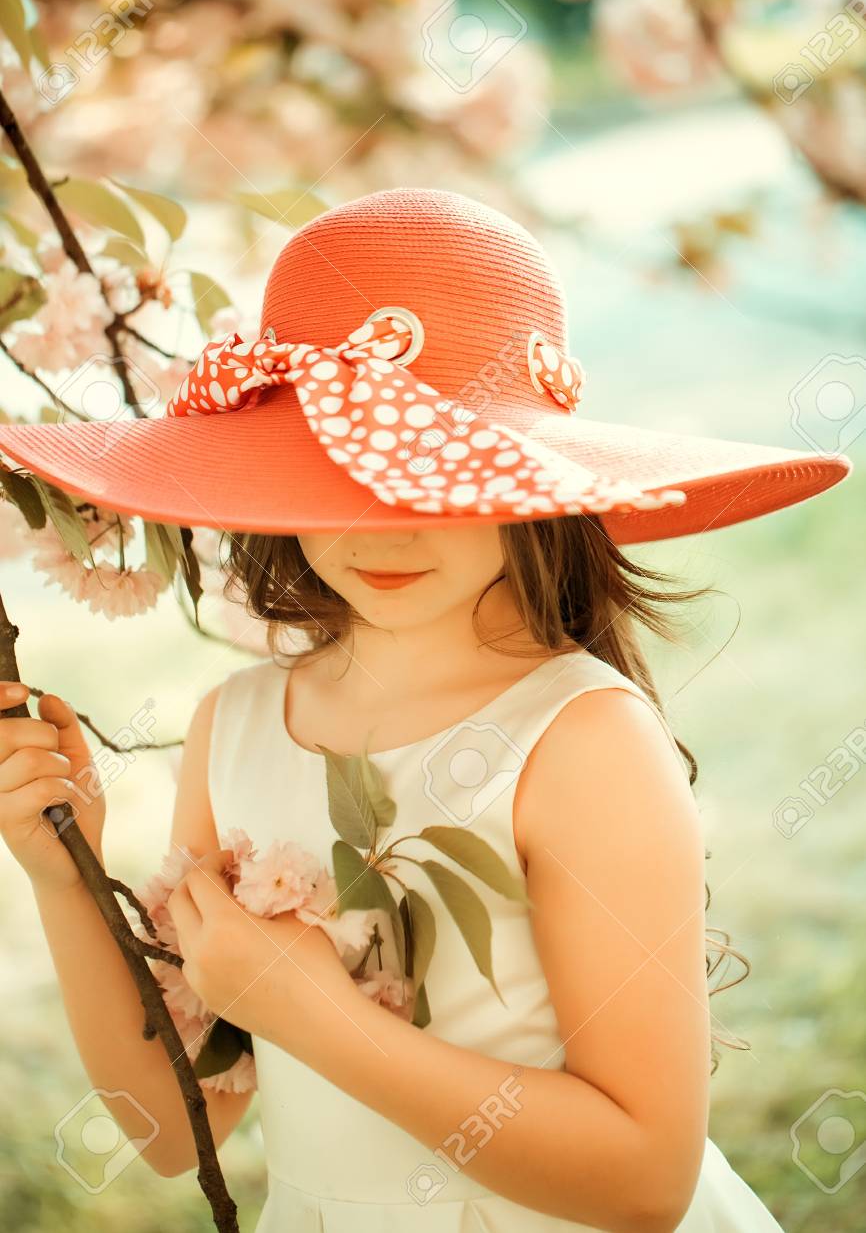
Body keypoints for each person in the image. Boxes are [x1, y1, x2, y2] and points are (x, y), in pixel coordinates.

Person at [0, 188, 851, 1230]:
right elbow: (177, 1128)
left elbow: (641, 1178)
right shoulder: (236, 723)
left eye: (427, 481)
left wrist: (308, 1012)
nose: (379, 529)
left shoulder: (578, 739)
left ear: (532, 485)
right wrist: (63, 876)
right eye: (332, 476)